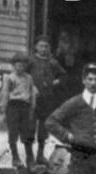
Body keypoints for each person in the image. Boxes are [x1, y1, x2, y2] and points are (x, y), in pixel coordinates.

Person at [27, 36, 67, 165]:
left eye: (46, 46)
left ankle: (40, 155)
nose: (44, 49)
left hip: (47, 99)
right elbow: (23, 75)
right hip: (32, 99)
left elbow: (63, 75)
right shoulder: (30, 61)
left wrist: (54, 82)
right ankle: (29, 157)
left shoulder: (52, 62)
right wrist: (31, 86)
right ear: (36, 47)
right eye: (41, 46)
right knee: (30, 127)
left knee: (43, 129)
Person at [2, 51, 37, 173]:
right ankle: (15, 157)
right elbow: (5, 94)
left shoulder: (29, 78)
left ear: (26, 66)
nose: (20, 67)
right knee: (13, 133)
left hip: (25, 107)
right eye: (17, 65)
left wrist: (32, 108)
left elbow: (32, 94)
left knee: (27, 134)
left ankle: (30, 159)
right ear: (13, 65)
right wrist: (4, 111)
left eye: (22, 65)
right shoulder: (9, 78)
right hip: (13, 107)